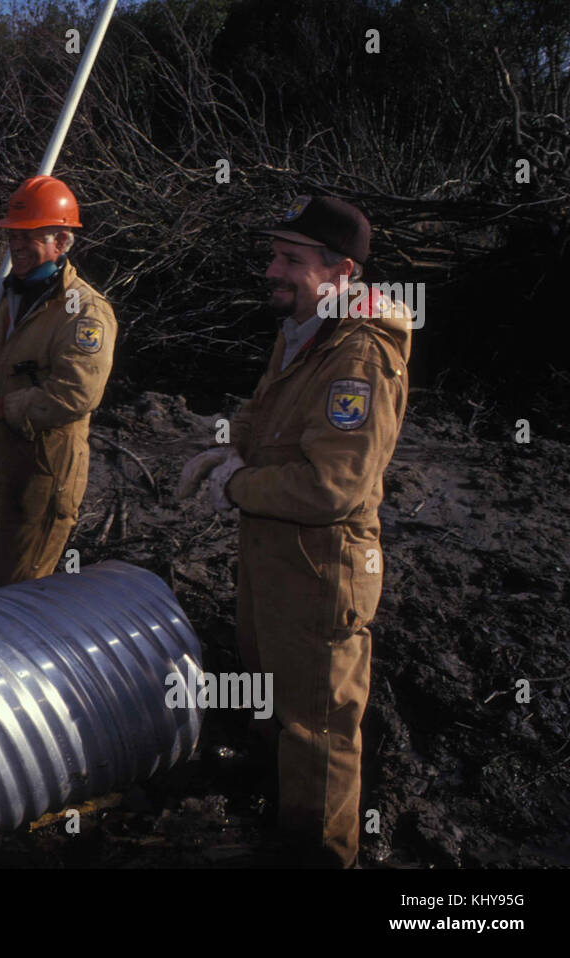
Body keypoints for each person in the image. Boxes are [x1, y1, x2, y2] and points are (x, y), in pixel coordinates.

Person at [179, 195, 413, 868]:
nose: (273, 270)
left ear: (341, 272)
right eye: (274, 254)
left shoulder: (358, 359)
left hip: (321, 568)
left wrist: (236, 486)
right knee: (274, 701)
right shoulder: (303, 330)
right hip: (275, 557)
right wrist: (228, 449)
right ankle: (274, 825)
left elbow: (331, 486)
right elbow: (262, 416)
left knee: (317, 730)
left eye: (292, 259)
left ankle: (321, 855)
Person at [0, 175, 117, 587]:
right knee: (3, 575)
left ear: (61, 240)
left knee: (19, 589)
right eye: (13, 234)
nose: (16, 245)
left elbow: (76, 395)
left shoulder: (84, 312)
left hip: (45, 474)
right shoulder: (4, 299)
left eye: (30, 236)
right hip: (2, 464)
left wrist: (0, 409)